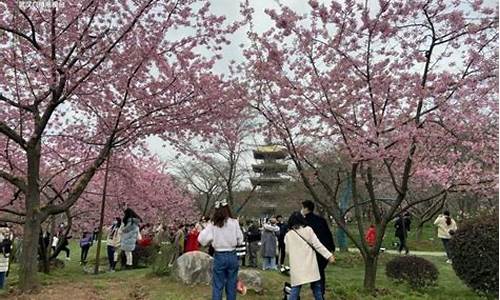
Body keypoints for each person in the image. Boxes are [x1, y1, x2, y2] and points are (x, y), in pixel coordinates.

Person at [198, 199, 243, 300]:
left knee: (218, 285)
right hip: (232, 255)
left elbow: (201, 239)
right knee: (231, 284)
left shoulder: (213, 224)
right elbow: (240, 239)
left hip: (219, 255)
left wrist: (210, 241)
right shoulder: (234, 222)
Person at [285, 212, 335, 300]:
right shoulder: (308, 230)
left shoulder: (288, 235)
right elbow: (317, 245)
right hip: (310, 264)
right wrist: (329, 256)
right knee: (316, 287)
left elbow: (287, 251)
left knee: (295, 288)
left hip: (297, 266)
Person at [301, 200, 335, 297]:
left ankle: (317, 292)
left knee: (313, 273)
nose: (301, 210)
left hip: (311, 251)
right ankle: (320, 292)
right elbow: (328, 234)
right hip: (324, 251)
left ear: (306, 209)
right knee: (320, 272)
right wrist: (331, 249)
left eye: (302, 207)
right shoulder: (321, 220)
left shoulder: (304, 222)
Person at [0, 224, 12, 289]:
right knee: (2, 273)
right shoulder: (9, 235)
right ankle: (1, 287)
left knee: (2, 273)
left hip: (2, 257)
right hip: (5, 257)